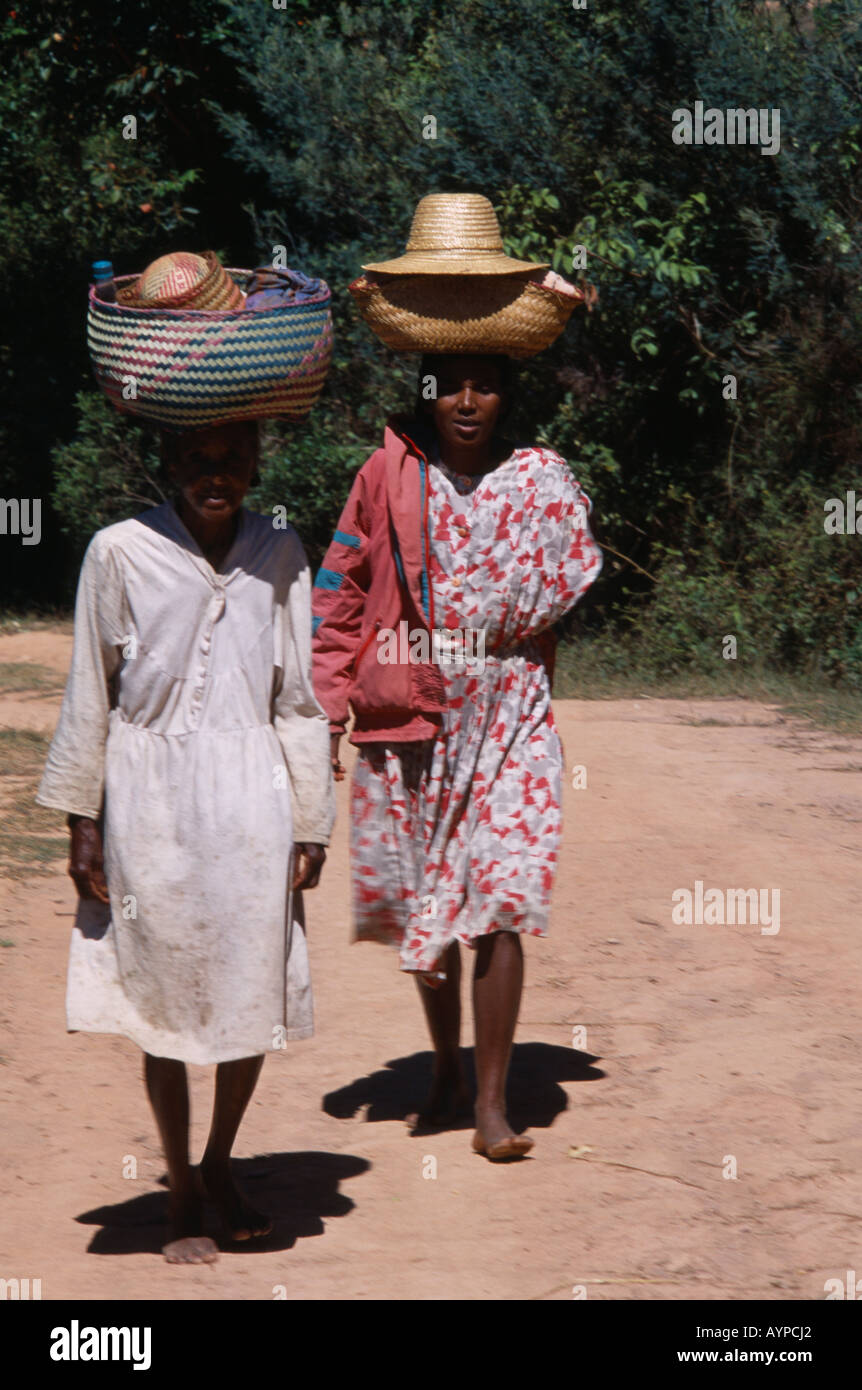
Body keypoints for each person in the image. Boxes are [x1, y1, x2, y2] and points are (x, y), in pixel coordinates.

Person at [36, 418, 334, 1261]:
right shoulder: (120, 551)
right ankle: (176, 1195)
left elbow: (298, 699)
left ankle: (216, 1163)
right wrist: (83, 820)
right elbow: (90, 687)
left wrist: (309, 819)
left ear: (255, 461)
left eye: (234, 456)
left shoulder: (278, 551)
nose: (217, 472)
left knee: (250, 987)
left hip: (252, 793)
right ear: (166, 462)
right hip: (149, 796)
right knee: (160, 996)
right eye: (198, 457)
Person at [311, 352, 602, 1159]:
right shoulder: (387, 475)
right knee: (429, 895)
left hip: (512, 707)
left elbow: (571, 571)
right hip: (419, 708)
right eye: (452, 384)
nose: (468, 401)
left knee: (504, 894)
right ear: (427, 392)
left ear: (511, 392)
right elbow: (339, 587)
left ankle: (492, 1103)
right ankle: (445, 1065)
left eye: (488, 382)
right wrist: (328, 710)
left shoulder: (541, 479)